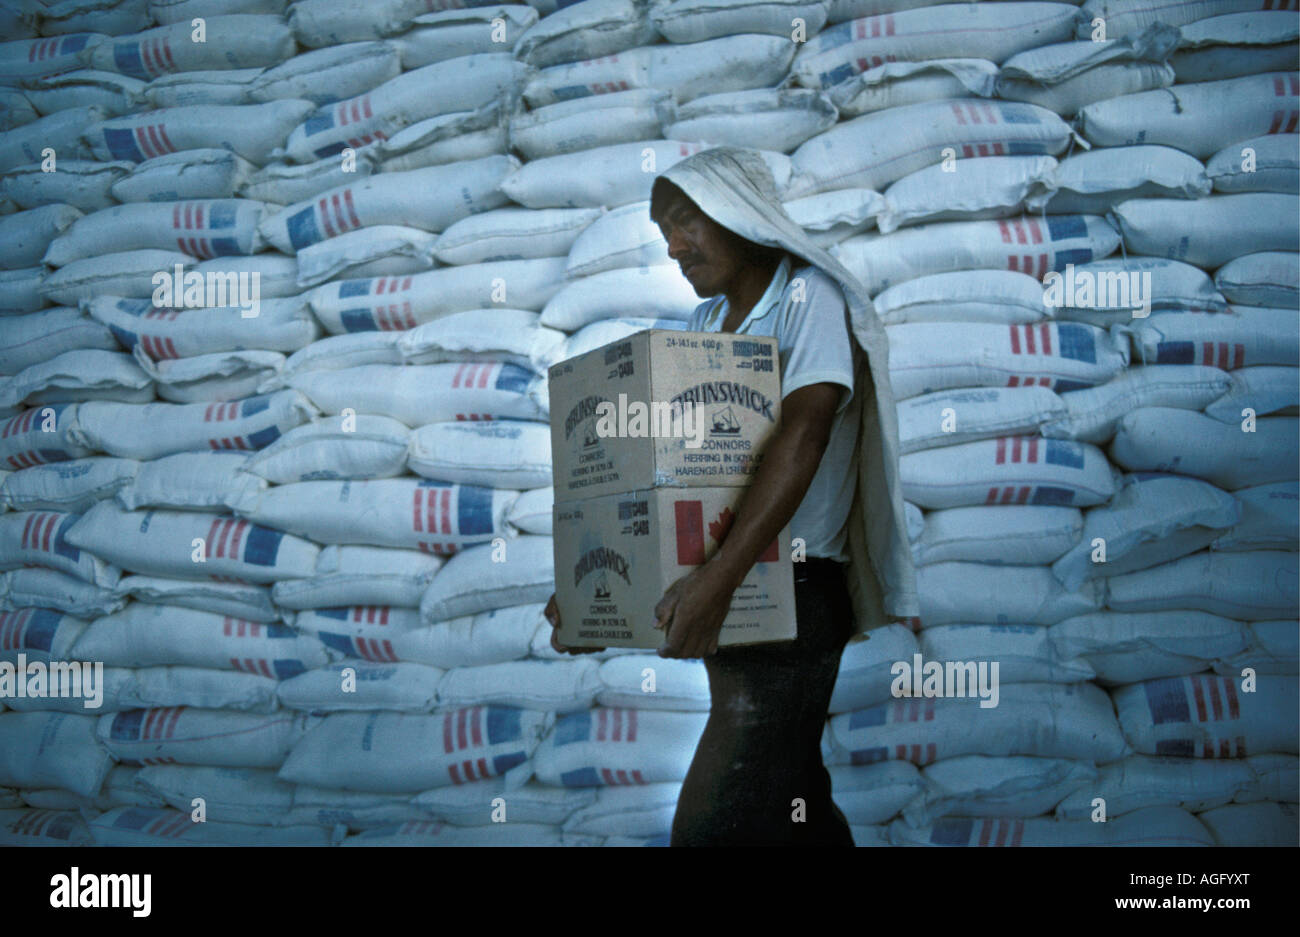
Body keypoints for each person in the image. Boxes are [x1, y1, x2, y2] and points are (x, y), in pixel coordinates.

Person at [543, 147, 918, 846]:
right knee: (796, 804)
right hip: (734, 592)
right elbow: (664, 483)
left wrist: (719, 578)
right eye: (664, 232)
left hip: (793, 597)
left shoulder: (809, 298)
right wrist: (593, 593)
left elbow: (802, 436)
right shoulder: (705, 327)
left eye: (687, 222)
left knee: (714, 827)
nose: (674, 246)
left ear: (742, 215)